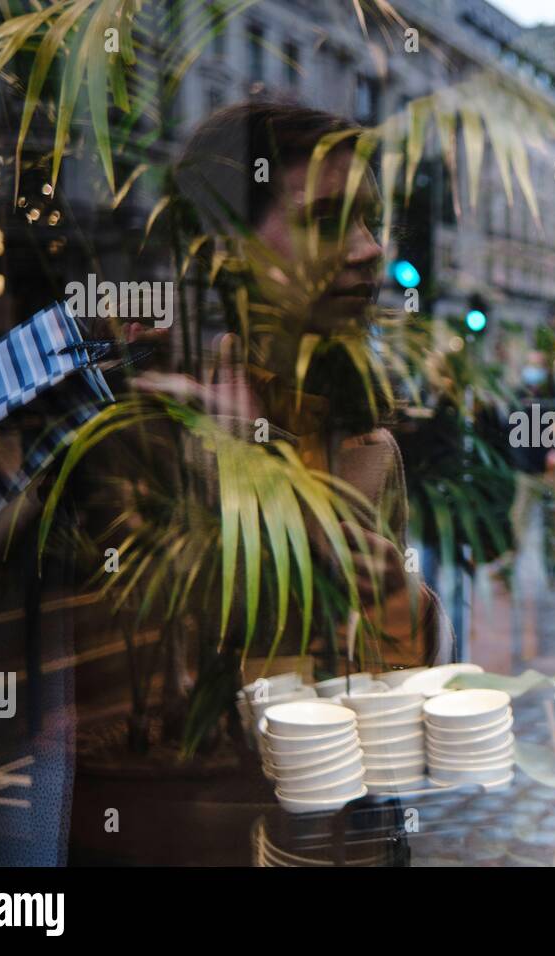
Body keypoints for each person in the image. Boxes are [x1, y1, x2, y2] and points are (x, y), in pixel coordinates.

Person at [154, 100, 452, 672]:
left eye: (369, 221)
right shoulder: (168, 436)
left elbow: (390, 689)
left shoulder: (370, 447)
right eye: (323, 220)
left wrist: (401, 605)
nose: (369, 249)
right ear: (226, 249)